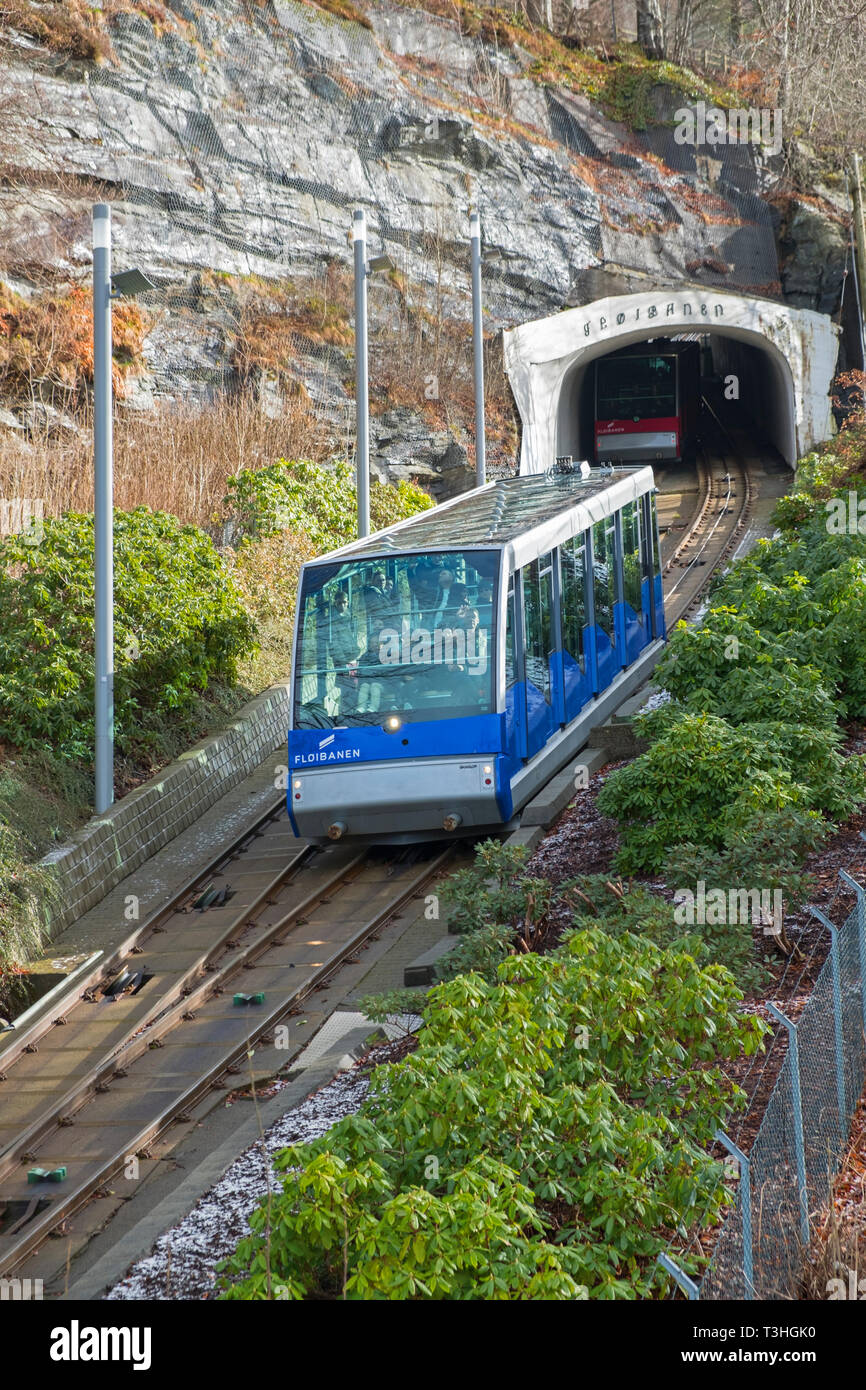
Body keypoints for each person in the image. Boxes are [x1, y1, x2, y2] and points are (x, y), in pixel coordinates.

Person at [328, 590, 359, 715]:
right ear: (335, 603)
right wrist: (343, 661)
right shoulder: (332, 620)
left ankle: (349, 711)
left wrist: (355, 653)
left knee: (353, 687)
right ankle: (345, 713)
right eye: (339, 603)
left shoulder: (348, 616)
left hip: (351, 656)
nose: (342, 605)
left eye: (344, 603)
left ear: (348, 603)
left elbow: (352, 637)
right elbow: (334, 643)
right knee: (346, 687)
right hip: (342, 659)